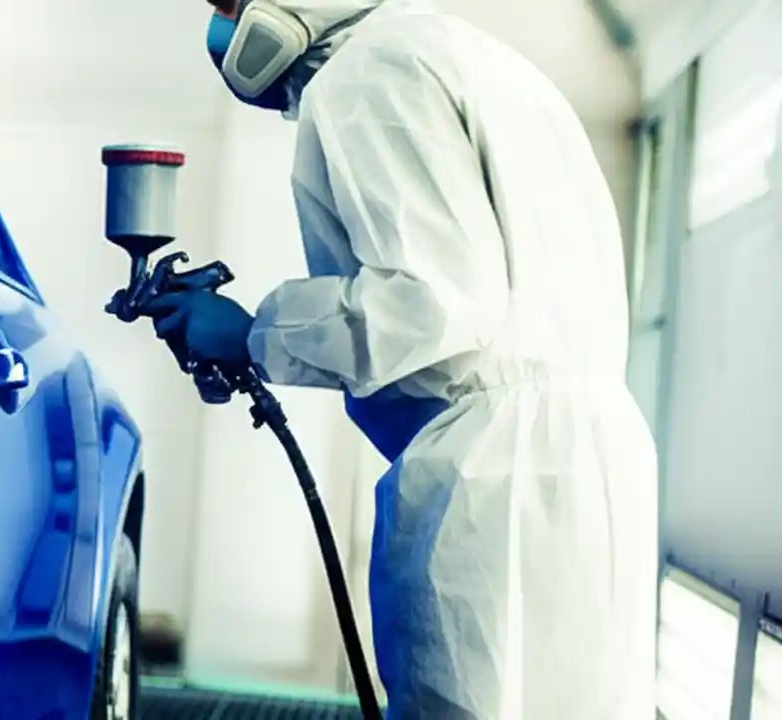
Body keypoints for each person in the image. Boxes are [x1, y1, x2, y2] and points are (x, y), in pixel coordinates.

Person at [149, 1, 659, 717]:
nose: (225, 24)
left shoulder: (365, 74)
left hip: (490, 482)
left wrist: (252, 334)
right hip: (590, 463)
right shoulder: (477, 56)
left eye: (229, 3)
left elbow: (433, 302)